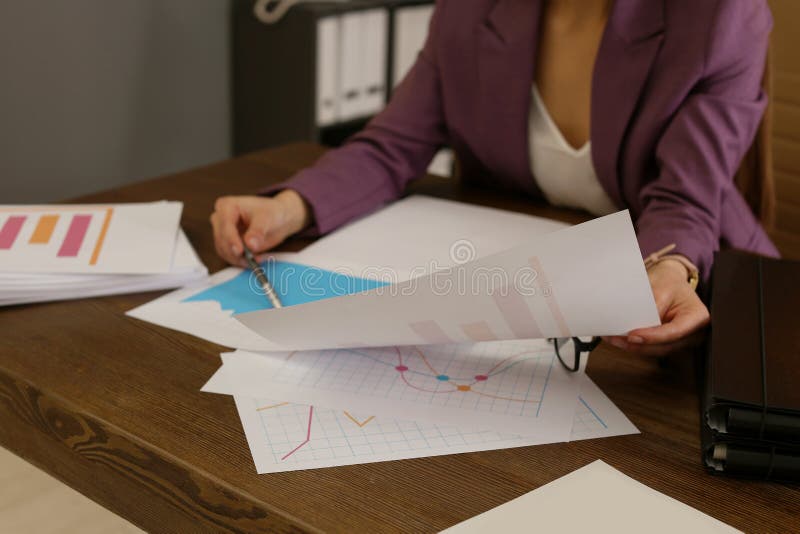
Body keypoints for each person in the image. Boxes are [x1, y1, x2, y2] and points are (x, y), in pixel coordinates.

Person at [210, 0, 779, 356]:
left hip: (691, 293)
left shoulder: (721, 15)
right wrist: (290, 206)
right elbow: (392, 146)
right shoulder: (469, 10)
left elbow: (684, 201)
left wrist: (667, 270)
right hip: (516, 298)